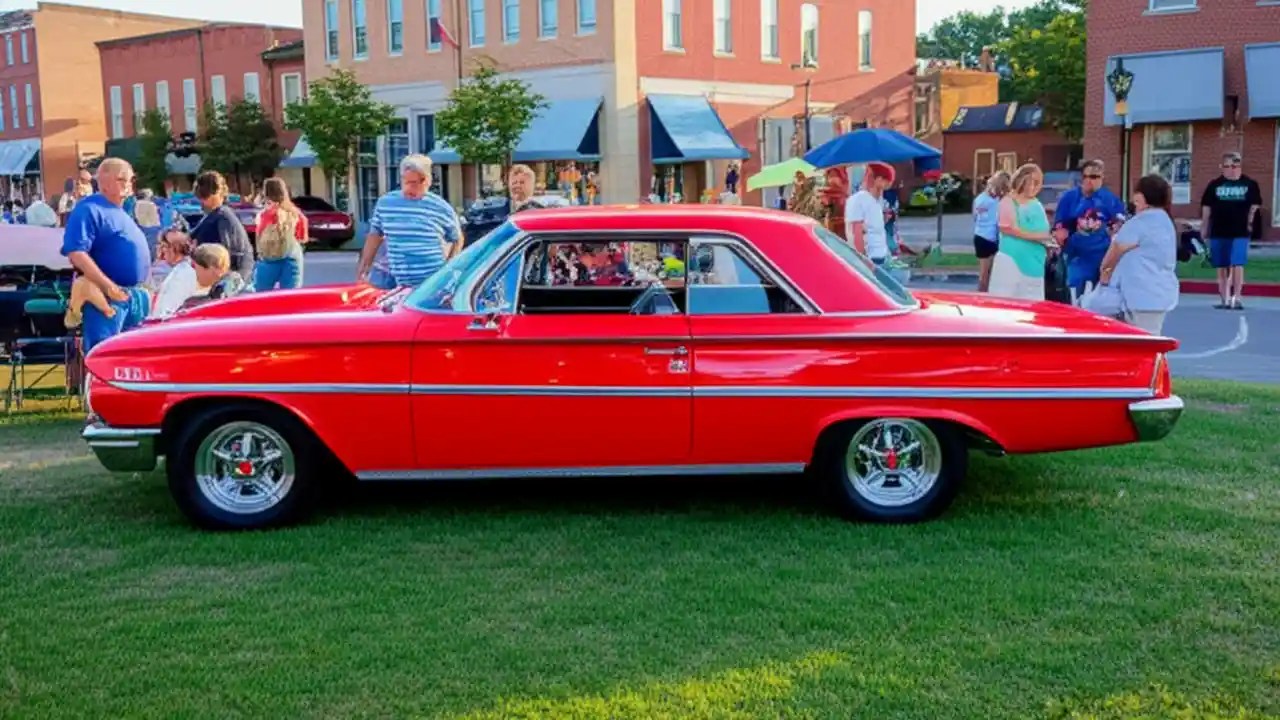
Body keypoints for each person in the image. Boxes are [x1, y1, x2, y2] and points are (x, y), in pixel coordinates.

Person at [59, 158, 152, 353]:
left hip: (133, 296)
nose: (128, 185)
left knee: (131, 360)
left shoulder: (121, 211)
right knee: (105, 356)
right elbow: (76, 253)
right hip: (108, 298)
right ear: (105, 182)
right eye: (123, 180)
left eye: (130, 180)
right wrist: (107, 287)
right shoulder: (89, 209)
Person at [356, 154, 462, 290]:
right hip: (400, 282)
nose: (408, 189)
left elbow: (457, 238)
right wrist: (364, 267)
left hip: (432, 283)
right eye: (406, 182)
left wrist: (448, 269)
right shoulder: (386, 204)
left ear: (426, 181)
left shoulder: (440, 207)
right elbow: (375, 235)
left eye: (414, 183)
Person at [1097, 174, 1179, 335]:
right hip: (1159, 293)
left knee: (1142, 343)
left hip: (1142, 295)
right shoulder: (1165, 220)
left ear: (1143, 196)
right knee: (1150, 339)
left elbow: (1115, 251)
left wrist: (1104, 273)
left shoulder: (1140, 222)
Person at [1053, 159, 1125, 298]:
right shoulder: (1070, 197)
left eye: (1094, 177)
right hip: (1076, 257)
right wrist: (1062, 235)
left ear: (1102, 178)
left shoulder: (1109, 199)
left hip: (1102, 257)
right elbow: (1059, 224)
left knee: (1098, 300)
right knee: (1075, 296)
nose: (1088, 180)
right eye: (1085, 176)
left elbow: (1119, 225)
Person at [1201, 152, 1262, 310]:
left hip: (1240, 230)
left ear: (1240, 166)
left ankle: (1237, 298)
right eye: (1227, 166)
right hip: (1219, 230)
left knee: (1237, 263)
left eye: (1234, 166)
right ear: (1222, 167)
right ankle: (1224, 299)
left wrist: (1250, 223)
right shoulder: (1214, 185)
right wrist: (1204, 228)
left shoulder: (1250, 184)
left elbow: (1254, 206)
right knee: (1221, 265)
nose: (1230, 169)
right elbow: (1206, 208)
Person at [989, 163, 1057, 301]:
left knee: (1032, 306)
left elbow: (1044, 231)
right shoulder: (1008, 201)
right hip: (1011, 261)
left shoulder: (1036, 204)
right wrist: (1041, 237)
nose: (1035, 186)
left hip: (1035, 264)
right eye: (1032, 181)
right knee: (1004, 302)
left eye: (1038, 183)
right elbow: (1008, 228)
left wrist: (1047, 242)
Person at [189, 170, 255, 283]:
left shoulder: (222, 217)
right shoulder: (217, 215)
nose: (203, 202)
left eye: (205, 197)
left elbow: (224, 252)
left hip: (230, 278)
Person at [253, 177, 308, 291]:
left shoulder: (264, 215)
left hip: (268, 258)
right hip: (291, 257)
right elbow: (303, 238)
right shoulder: (294, 213)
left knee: (261, 298)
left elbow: (259, 234)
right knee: (290, 299)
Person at [845, 161, 895, 265]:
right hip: (870, 257)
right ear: (879, 180)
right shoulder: (858, 200)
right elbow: (855, 232)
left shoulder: (877, 200)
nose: (887, 186)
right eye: (887, 182)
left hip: (881, 255)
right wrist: (863, 259)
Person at [973, 172, 1011, 292]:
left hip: (981, 235)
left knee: (985, 273)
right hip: (989, 238)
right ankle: (982, 297)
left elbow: (975, 217)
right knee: (986, 275)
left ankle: (984, 294)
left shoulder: (979, 199)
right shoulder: (995, 201)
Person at [133, 189, 163, 261]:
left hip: (142, 227)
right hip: (152, 228)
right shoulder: (150, 204)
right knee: (153, 248)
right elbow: (155, 217)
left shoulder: (136, 204)